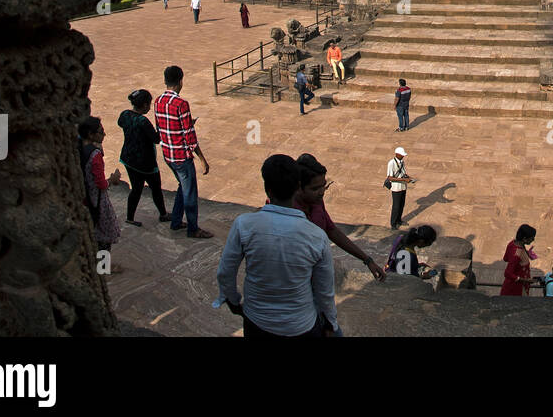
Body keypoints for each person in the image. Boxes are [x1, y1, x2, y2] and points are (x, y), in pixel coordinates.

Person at [215, 154, 339, 338]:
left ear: (268, 190)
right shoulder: (316, 237)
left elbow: (225, 272)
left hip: (256, 321)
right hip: (300, 324)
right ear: (298, 187)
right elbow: (325, 290)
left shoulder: (244, 225)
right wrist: (330, 322)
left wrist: (233, 301)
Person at [295, 153, 386, 281]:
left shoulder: (316, 201)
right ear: (299, 188)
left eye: (324, 186)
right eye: (315, 188)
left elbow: (331, 230)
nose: (322, 192)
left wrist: (367, 260)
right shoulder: (289, 212)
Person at [155, 65, 213, 239]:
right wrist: (202, 159)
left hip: (168, 153)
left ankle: (176, 221)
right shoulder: (181, 104)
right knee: (190, 192)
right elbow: (190, 136)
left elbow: (162, 126)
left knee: (183, 187)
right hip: (181, 155)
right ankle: (193, 228)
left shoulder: (158, 101)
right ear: (180, 81)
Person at [118, 89, 168, 226]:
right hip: (145, 162)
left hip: (128, 158)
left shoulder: (125, 115)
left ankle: (130, 217)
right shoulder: (143, 121)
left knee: (136, 188)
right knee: (156, 188)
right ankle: (163, 214)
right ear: (145, 105)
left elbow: (120, 123)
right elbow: (156, 139)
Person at [79, 116, 121, 254]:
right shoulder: (95, 154)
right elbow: (101, 184)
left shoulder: (79, 148)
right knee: (104, 236)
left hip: (84, 197)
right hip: (97, 200)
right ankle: (102, 270)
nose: (104, 134)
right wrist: (113, 179)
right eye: (101, 131)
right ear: (91, 135)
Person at [501, 224, 541, 296]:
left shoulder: (513, 243)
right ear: (525, 239)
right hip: (515, 289)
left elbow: (506, 258)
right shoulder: (517, 254)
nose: (533, 240)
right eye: (532, 238)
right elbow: (507, 273)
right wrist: (525, 280)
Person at [386, 146, 413, 228]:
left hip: (403, 186)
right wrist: (404, 180)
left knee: (401, 204)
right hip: (396, 188)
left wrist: (408, 178)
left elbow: (403, 173)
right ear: (397, 154)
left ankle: (399, 220)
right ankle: (393, 223)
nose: (403, 156)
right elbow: (390, 177)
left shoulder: (402, 162)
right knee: (396, 206)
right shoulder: (391, 163)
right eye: (402, 155)